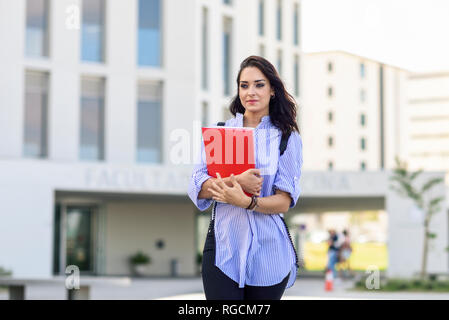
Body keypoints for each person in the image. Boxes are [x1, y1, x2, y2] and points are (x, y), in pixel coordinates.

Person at [188, 56, 303, 300]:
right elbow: (197, 186)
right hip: (224, 247)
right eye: (244, 85)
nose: (250, 92)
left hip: (270, 250)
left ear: (272, 90)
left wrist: (248, 202)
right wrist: (238, 181)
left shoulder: (286, 138)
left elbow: (284, 201)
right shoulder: (221, 133)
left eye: (259, 84)